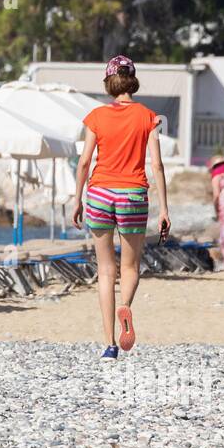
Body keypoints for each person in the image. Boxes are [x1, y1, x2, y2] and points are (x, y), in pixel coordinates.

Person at [73, 55, 170, 361]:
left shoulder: (96, 116)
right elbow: (156, 164)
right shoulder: (148, 117)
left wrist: (77, 198)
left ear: (109, 83)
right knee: (129, 267)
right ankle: (124, 304)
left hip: (100, 193)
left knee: (105, 270)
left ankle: (109, 344)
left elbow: (85, 161)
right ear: (132, 81)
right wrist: (165, 208)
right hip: (132, 196)